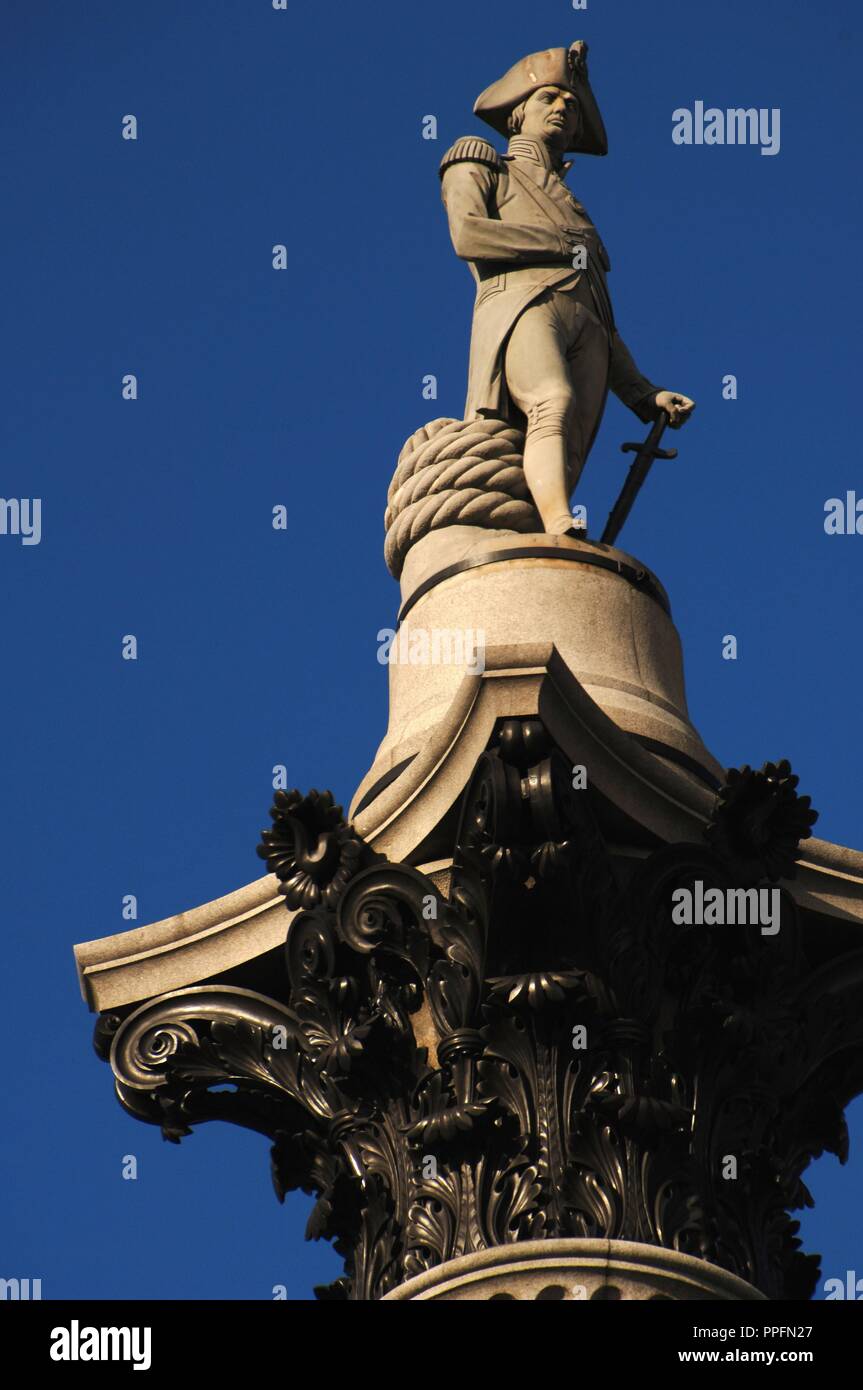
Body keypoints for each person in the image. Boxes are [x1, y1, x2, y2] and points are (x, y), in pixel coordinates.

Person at [440, 42, 695, 537]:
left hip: (588, 328)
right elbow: (468, 234)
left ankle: (542, 536)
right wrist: (557, 242)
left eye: (570, 105)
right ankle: (559, 523)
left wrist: (645, 395)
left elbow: (601, 312)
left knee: (571, 447)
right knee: (550, 400)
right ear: (518, 112)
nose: (561, 108)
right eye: (548, 98)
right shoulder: (482, 163)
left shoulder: (576, 209)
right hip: (523, 303)